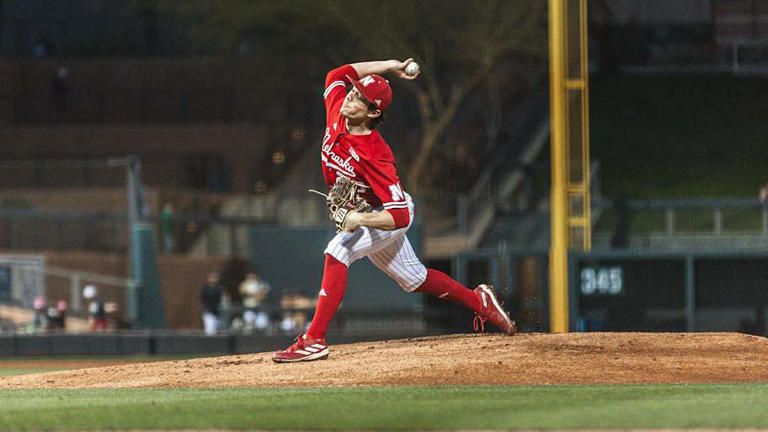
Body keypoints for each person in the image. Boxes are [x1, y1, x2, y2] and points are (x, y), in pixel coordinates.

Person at [273, 59, 515, 363]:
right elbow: (337, 74)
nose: (349, 97)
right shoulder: (337, 110)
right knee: (414, 279)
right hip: (368, 212)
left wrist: (358, 219)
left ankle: (314, 340)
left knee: (337, 251)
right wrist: (390, 65)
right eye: (353, 91)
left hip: (385, 216)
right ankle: (479, 301)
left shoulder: (376, 154)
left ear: (373, 113)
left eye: (359, 97)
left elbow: (400, 217)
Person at [200, 271, 223, 335]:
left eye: (215, 277)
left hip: (217, 312)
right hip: (208, 311)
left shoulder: (219, 288)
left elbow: (220, 300)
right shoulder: (206, 288)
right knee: (210, 331)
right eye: (212, 277)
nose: (214, 279)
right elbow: (203, 299)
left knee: (217, 330)